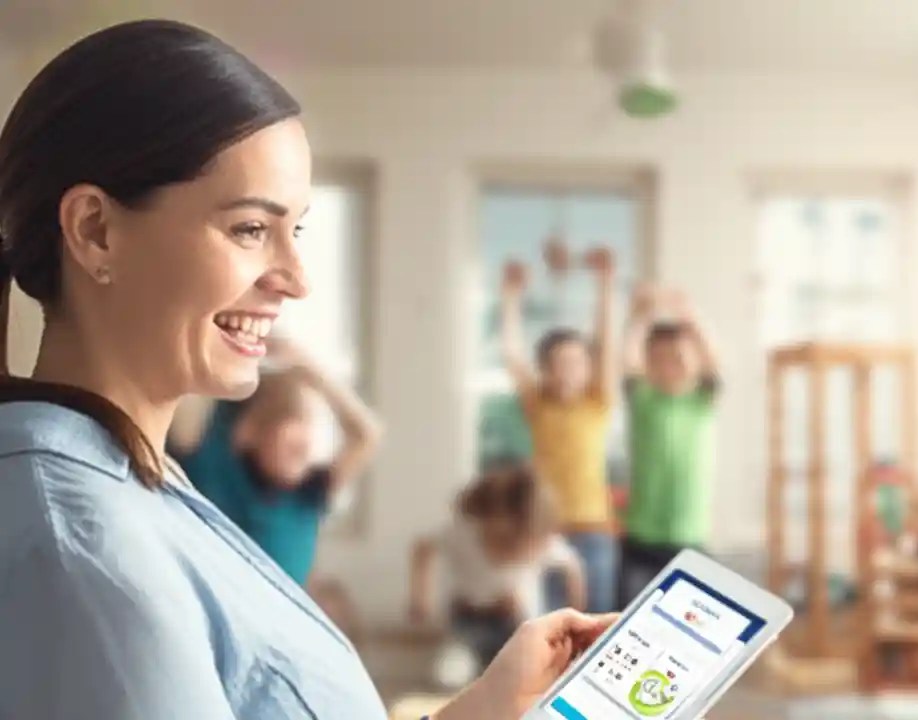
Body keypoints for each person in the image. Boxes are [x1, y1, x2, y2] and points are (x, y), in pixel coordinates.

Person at [0, 20, 612, 719]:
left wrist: (488, 706)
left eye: (298, 231)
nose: (296, 279)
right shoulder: (81, 548)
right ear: (95, 230)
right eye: (251, 229)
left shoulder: (141, 480)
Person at [168, 338, 382, 585]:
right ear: (248, 430)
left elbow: (366, 434)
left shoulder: (308, 495)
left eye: (308, 425)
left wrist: (307, 367)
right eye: (292, 422)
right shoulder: (211, 466)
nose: (305, 444)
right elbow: (191, 388)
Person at [501, 249, 619, 613]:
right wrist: (510, 295)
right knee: (549, 618)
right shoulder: (539, 406)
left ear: (589, 367)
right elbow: (511, 353)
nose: (568, 370)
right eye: (559, 363)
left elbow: (608, 343)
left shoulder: (597, 401)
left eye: (577, 362)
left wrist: (604, 284)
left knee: (596, 618)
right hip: (547, 527)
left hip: (594, 529)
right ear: (545, 370)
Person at [409, 461, 587, 668]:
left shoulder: (545, 543)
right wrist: (420, 597)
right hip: (468, 618)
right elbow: (423, 549)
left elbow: (573, 569)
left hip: (518, 623)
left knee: (526, 667)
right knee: (452, 671)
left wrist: (575, 616)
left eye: (522, 547)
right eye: (504, 542)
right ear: (487, 521)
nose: (509, 553)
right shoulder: (464, 533)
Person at [617, 286, 721, 605]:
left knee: (689, 623)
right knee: (627, 619)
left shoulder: (701, 401)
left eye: (677, 357)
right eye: (658, 359)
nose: (669, 365)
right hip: (640, 535)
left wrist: (689, 317)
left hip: (689, 536)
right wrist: (640, 318)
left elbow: (712, 360)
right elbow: (628, 359)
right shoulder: (645, 400)